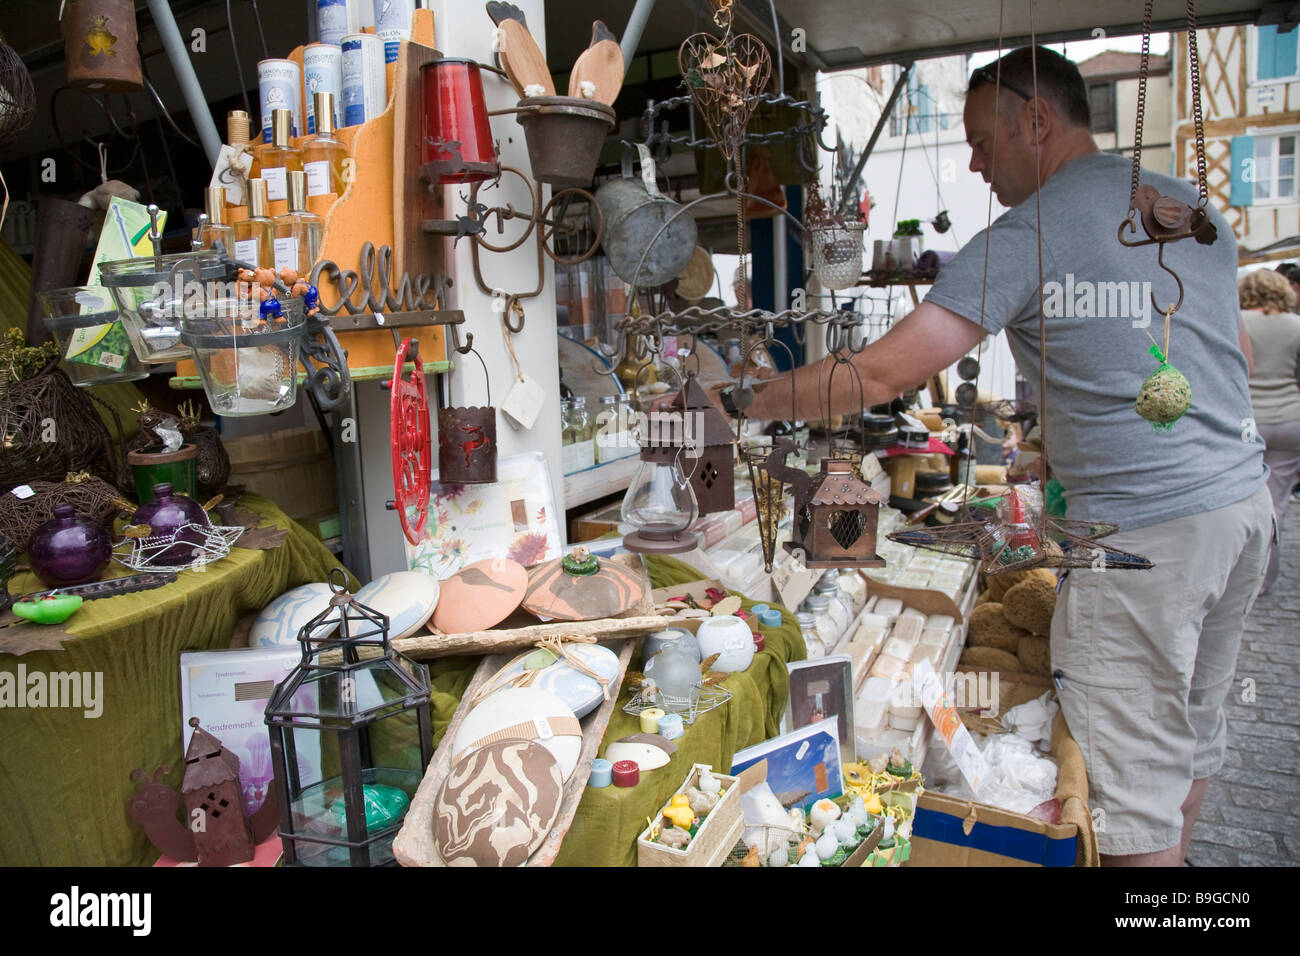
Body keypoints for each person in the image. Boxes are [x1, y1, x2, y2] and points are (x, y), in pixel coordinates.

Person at [744, 47, 1271, 866]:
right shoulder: (1185, 205)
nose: (974, 162)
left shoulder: (1028, 230)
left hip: (1146, 538)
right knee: (1186, 747)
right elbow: (1228, 351)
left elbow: (882, 371)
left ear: (1038, 119)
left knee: (1122, 795)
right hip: (1240, 510)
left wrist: (747, 401)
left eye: (983, 141)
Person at [1239, 269, 1300, 591]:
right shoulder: (1296, 325)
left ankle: (1241, 572)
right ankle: (1263, 577)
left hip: (1248, 420)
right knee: (1276, 501)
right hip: (1290, 421)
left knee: (1243, 496)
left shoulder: (1238, 320)